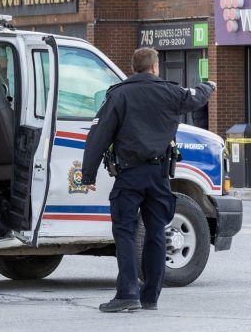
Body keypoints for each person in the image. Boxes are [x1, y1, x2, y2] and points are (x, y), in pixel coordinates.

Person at [81, 47, 215, 313]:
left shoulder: (119, 95)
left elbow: (98, 135)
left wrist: (88, 174)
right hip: (159, 176)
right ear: (155, 67)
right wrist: (208, 86)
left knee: (126, 233)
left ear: (134, 67)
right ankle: (150, 296)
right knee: (155, 232)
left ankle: (127, 293)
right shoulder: (171, 92)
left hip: (130, 175)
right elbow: (196, 98)